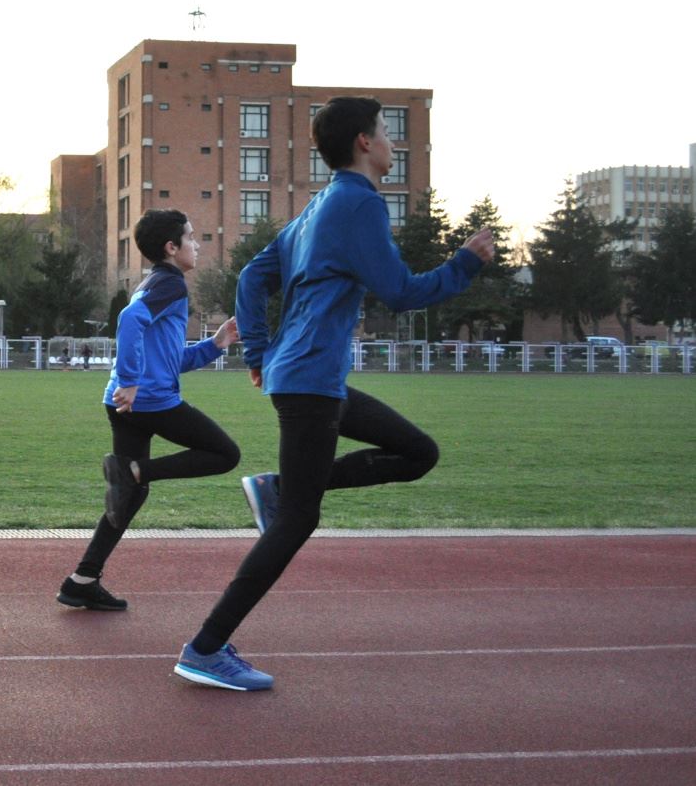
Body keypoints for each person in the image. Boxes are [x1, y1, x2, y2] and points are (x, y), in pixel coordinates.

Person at [174, 96, 496, 691]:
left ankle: (278, 488)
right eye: (386, 132)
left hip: (313, 380)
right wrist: (464, 264)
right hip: (310, 383)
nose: (392, 143)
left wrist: (260, 354)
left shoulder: (319, 207)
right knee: (297, 521)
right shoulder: (358, 204)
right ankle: (205, 648)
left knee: (418, 453)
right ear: (364, 143)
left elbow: (252, 277)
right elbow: (400, 291)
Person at [56, 209, 241, 611]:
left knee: (128, 496)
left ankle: (82, 579)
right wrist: (130, 378)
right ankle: (136, 471)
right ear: (171, 248)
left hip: (125, 403)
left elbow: (171, 359)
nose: (196, 245)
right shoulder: (170, 285)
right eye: (190, 238)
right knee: (226, 454)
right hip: (149, 402)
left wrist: (215, 345)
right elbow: (129, 319)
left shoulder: (155, 283)